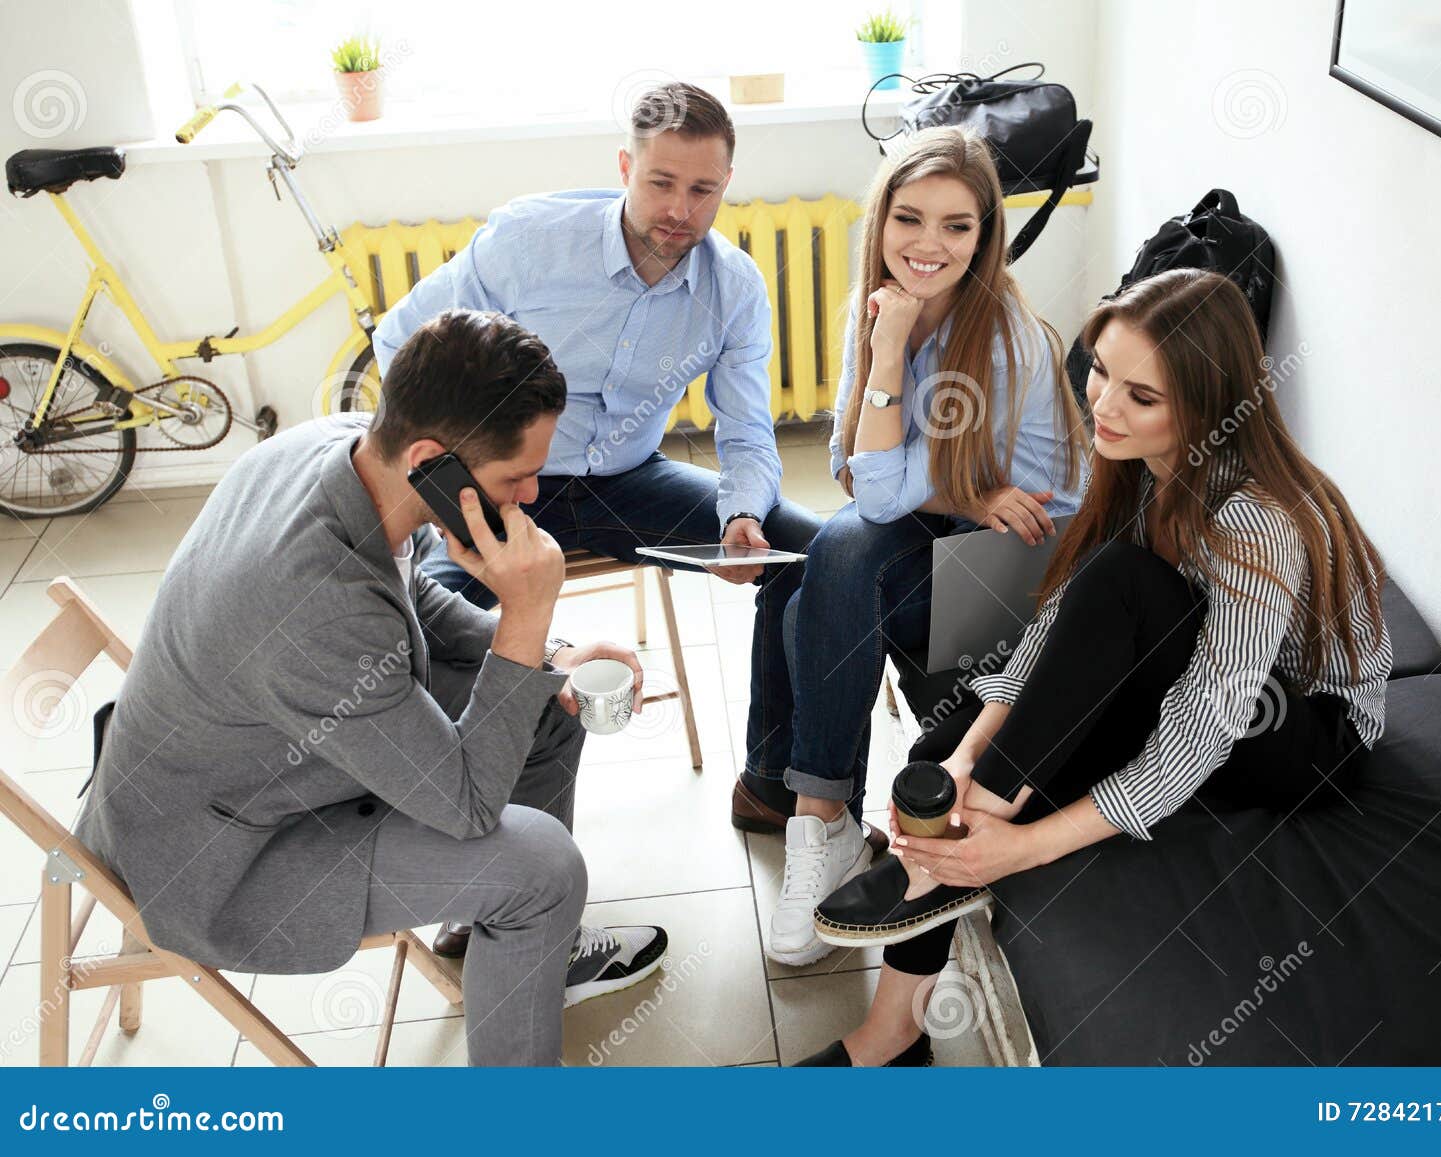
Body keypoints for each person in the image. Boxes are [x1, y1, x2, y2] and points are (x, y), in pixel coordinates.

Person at [798, 268, 1395, 1065]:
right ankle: (892, 1032)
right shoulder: (1139, 462)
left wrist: (1021, 843)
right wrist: (973, 749)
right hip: (1188, 660)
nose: (1104, 404)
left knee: (1118, 587)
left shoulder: (1256, 520)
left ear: (1210, 406)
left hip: (1304, 733)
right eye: (1102, 370)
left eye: (1140, 396)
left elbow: (1203, 728)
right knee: (938, 757)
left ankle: (961, 855)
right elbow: (1063, 619)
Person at [76, 310, 667, 1066]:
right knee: (542, 868)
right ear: (433, 459)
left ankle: (508, 943)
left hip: (239, 763)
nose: (530, 495)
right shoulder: (309, 600)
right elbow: (468, 802)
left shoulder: (345, 449)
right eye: (513, 477)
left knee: (549, 705)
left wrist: (549, 647)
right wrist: (526, 608)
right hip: (219, 858)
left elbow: (410, 593)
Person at [370, 84, 842, 956]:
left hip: (631, 482)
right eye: (661, 183)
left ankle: (772, 781)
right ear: (625, 167)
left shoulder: (733, 286)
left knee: (808, 556)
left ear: (727, 184)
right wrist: (451, 490)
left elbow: (745, 430)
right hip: (511, 483)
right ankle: (483, 862)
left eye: (703, 191)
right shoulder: (528, 239)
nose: (679, 210)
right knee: (425, 610)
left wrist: (741, 512)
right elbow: (400, 341)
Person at [755, 127, 1089, 967]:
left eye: (956, 226)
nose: (928, 245)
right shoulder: (880, 308)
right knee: (832, 562)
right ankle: (818, 825)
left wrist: (924, 471)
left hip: (1021, 570)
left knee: (819, 589)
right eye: (909, 218)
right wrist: (960, 484)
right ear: (881, 222)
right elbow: (848, 464)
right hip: (958, 525)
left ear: (985, 236)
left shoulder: (1002, 338)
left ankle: (820, 821)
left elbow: (875, 486)